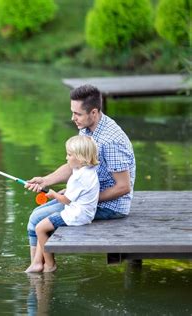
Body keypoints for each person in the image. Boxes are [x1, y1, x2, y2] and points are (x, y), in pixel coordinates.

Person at [24, 84, 136, 271]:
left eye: (77, 114)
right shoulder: (88, 129)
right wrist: (45, 180)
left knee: (36, 219)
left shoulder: (111, 141)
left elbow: (123, 187)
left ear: (93, 112)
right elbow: (74, 164)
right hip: (88, 197)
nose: (72, 118)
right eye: (72, 112)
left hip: (111, 206)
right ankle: (39, 266)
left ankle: (43, 272)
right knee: (39, 213)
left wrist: (81, 196)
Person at [25, 135, 100, 273]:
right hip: (84, 213)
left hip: (76, 215)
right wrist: (66, 190)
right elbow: (80, 191)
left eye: (69, 155)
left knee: (40, 228)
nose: (66, 158)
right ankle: (39, 263)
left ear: (81, 158)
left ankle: (49, 265)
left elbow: (66, 200)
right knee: (43, 223)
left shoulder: (78, 177)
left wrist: (54, 195)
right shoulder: (88, 171)